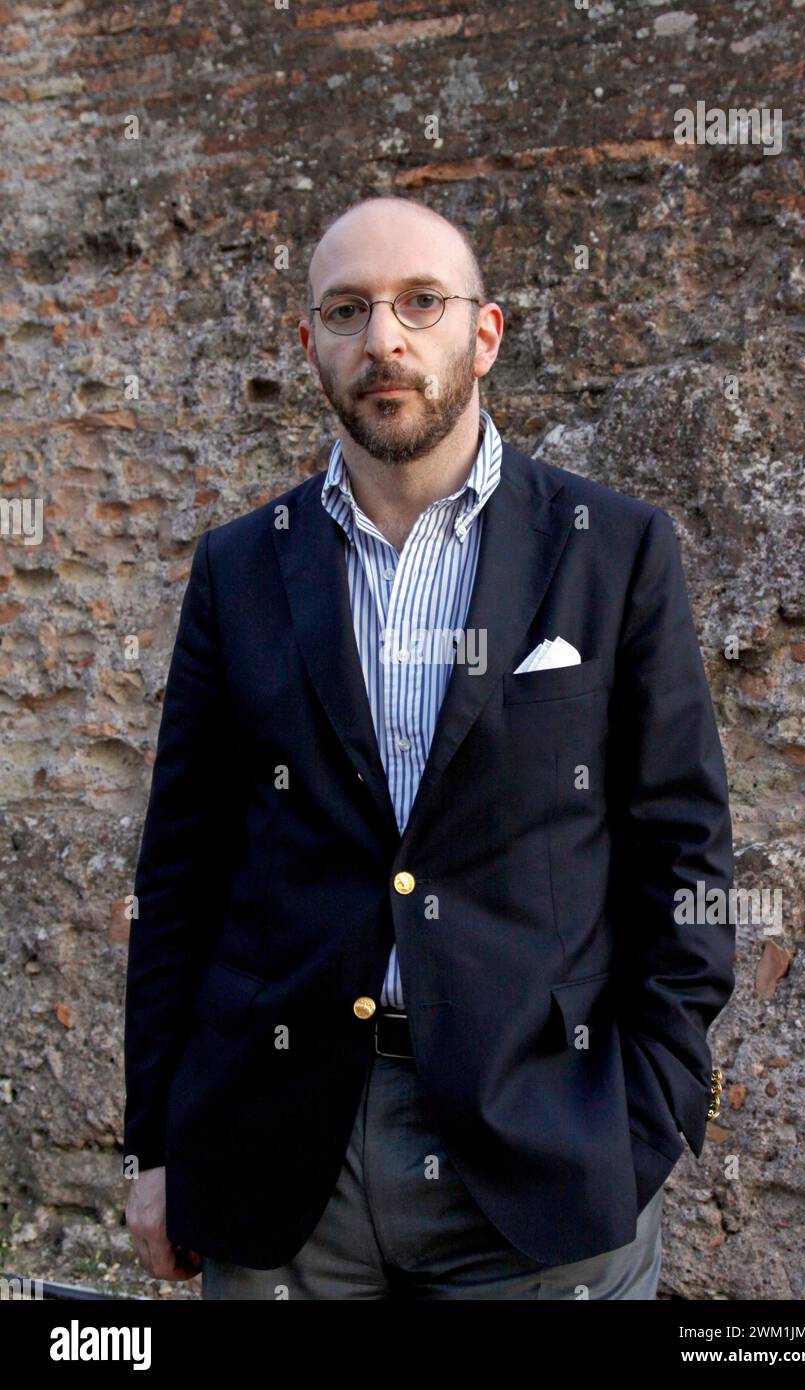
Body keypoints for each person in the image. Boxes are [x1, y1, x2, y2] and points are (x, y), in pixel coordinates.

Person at [123, 195, 735, 1300]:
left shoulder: (611, 550)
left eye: (419, 302)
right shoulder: (239, 569)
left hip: (542, 1148)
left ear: (483, 332)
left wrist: (648, 1111)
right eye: (346, 310)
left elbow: (682, 851)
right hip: (280, 1154)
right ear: (308, 343)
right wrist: (158, 1147)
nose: (383, 339)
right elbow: (181, 872)